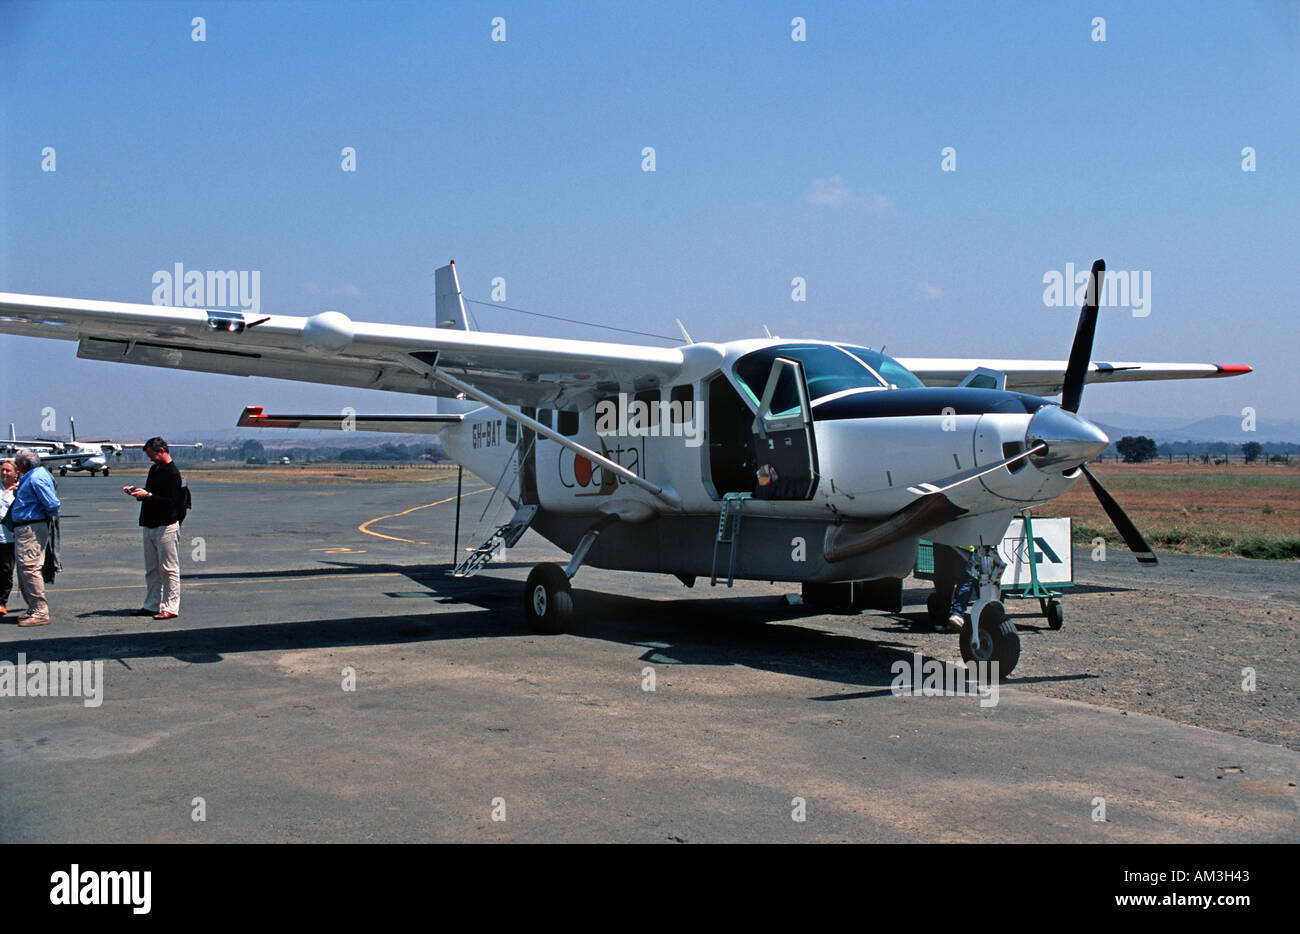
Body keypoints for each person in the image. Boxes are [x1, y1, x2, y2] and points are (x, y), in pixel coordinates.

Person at [125, 437, 185, 619]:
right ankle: (152, 604)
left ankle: (171, 607)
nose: (150, 459)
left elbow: (172, 502)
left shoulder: (173, 473)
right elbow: (153, 494)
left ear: (161, 452)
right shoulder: (155, 470)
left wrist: (149, 495)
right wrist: (139, 492)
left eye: (152, 455)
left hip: (166, 524)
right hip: (150, 523)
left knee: (168, 568)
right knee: (151, 568)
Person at [4, 450, 60, 626]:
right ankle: (33, 609)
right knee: (24, 568)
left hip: (31, 527)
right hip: (27, 526)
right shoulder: (32, 476)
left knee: (30, 568)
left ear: (22, 464)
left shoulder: (36, 478)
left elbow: (52, 504)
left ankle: (40, 612)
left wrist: (37, 515)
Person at [933, 543, 978, 633]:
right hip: (962, 545)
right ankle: (957, 613)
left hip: (940, 543)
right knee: (966, 580)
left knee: (944, 582)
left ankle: (941, 622)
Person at [0, 459, 17, 617]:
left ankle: (1, 602)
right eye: (2, 470)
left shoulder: (18, 491)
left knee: (5, 571)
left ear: (16, 474)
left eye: (8, 471)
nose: (4, 473)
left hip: (9, 538)